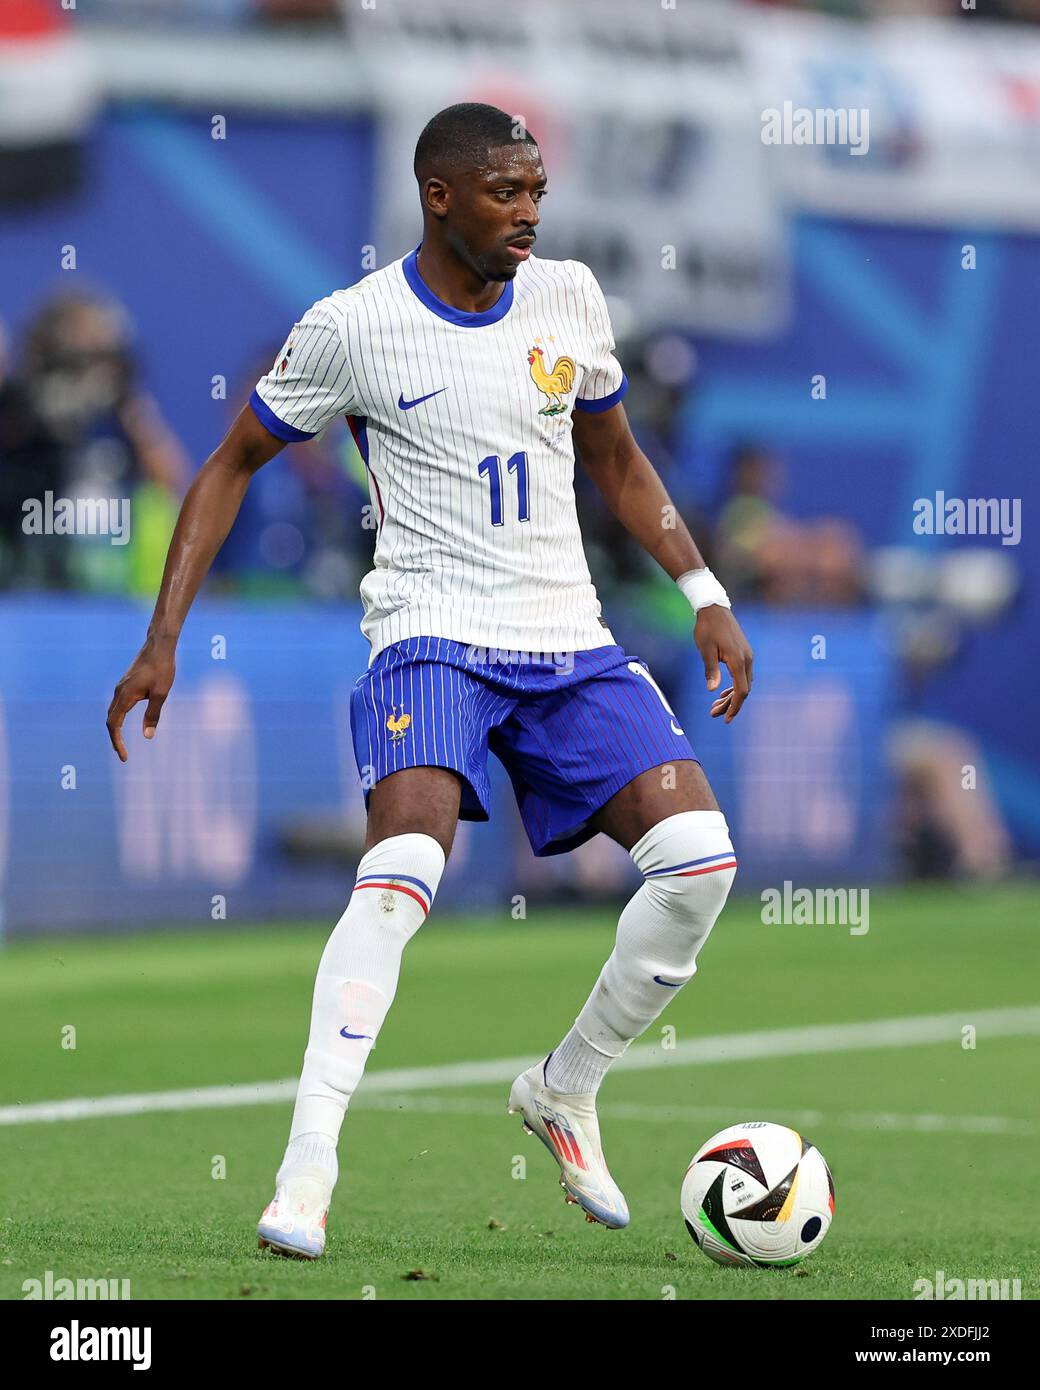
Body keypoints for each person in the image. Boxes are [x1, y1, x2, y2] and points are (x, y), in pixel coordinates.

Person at [106, 103, 754, 1259]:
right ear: (439, 195)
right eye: (506, 192)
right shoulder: (353, 327)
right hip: (431, 633)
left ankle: (563, 1086)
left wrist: (701, 589)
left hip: (565, 637)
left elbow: (613, 456)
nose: (529, 212)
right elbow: (228, 465)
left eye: (537, 191)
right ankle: (306, 1170)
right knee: (404, 862)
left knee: (699, 863)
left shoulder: (567, 299)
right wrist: (163, 637)